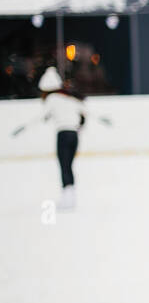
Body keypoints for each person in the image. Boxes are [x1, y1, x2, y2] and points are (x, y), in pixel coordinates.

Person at [37, 67, 87, 210]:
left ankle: (67, 198)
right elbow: (83, 116)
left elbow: (44, 116)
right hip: (74, 135)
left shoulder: (52, 99)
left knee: (64, 166)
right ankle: (70, 197)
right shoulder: (70, 98)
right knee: (69, 166)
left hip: (63, 135)